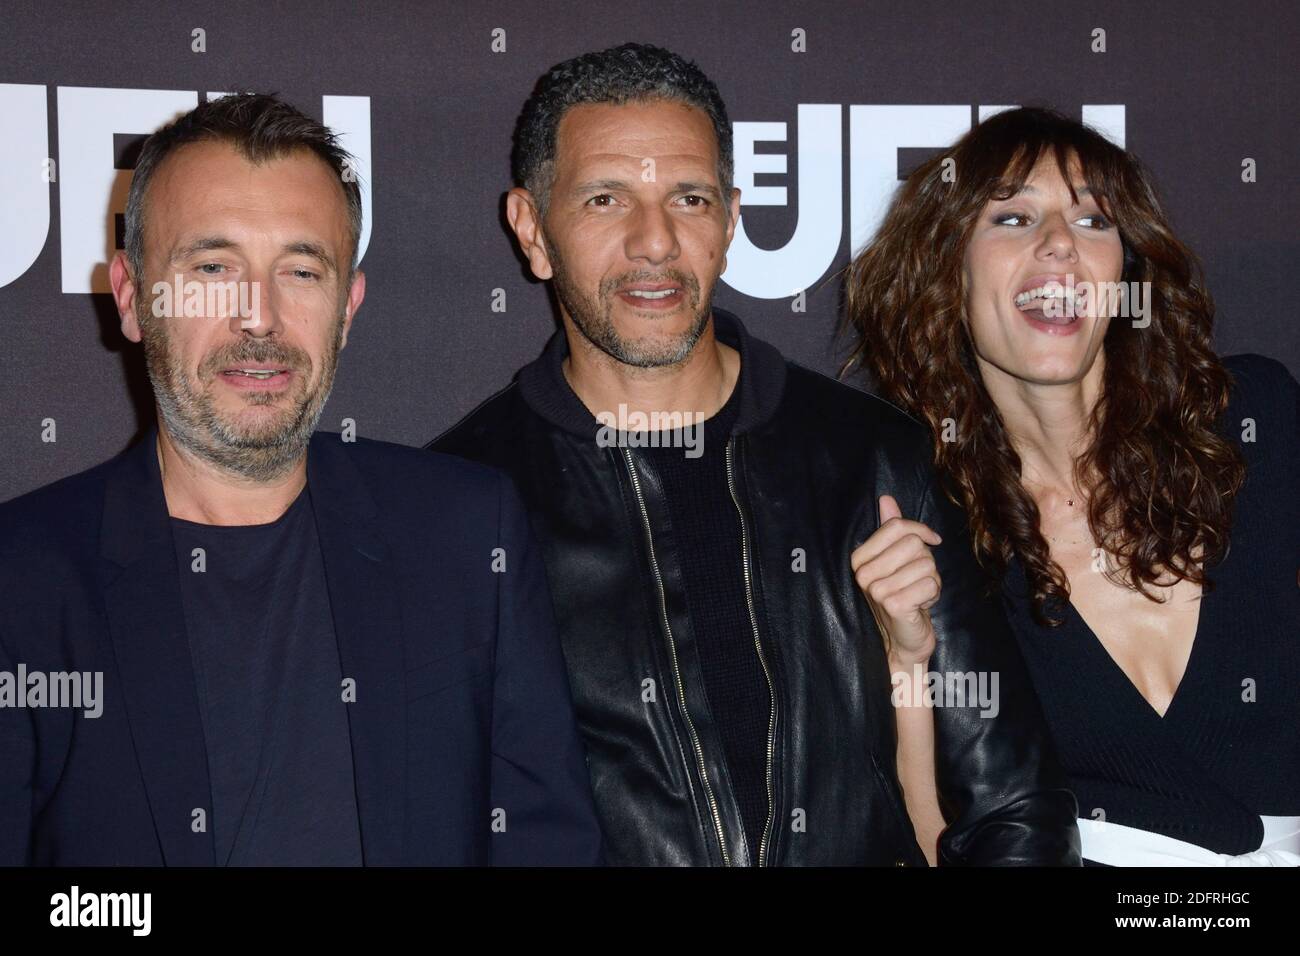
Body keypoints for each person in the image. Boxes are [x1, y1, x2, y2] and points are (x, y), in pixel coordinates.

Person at [430, 43, 1080, 866]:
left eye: (689, 198)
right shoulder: (461, 506)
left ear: (732, 219)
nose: (655, 243)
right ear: (533, 229)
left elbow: (1017, 810)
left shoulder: (874, 459)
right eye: (605, 199)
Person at [0, 93, 603, 866]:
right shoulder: (22, 581)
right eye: (214, 267)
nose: (260, 317)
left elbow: (545, 846)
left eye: (301, 269)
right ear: (132, 297)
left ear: (347, 308)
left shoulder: (464, 537)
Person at [842, 106, 1300, 865]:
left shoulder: (1253, 421)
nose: (1059, 243)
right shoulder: (931, 513)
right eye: (1014, 217)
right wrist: (903, 657)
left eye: (1092, 220)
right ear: (946, 273)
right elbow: (931, 838)